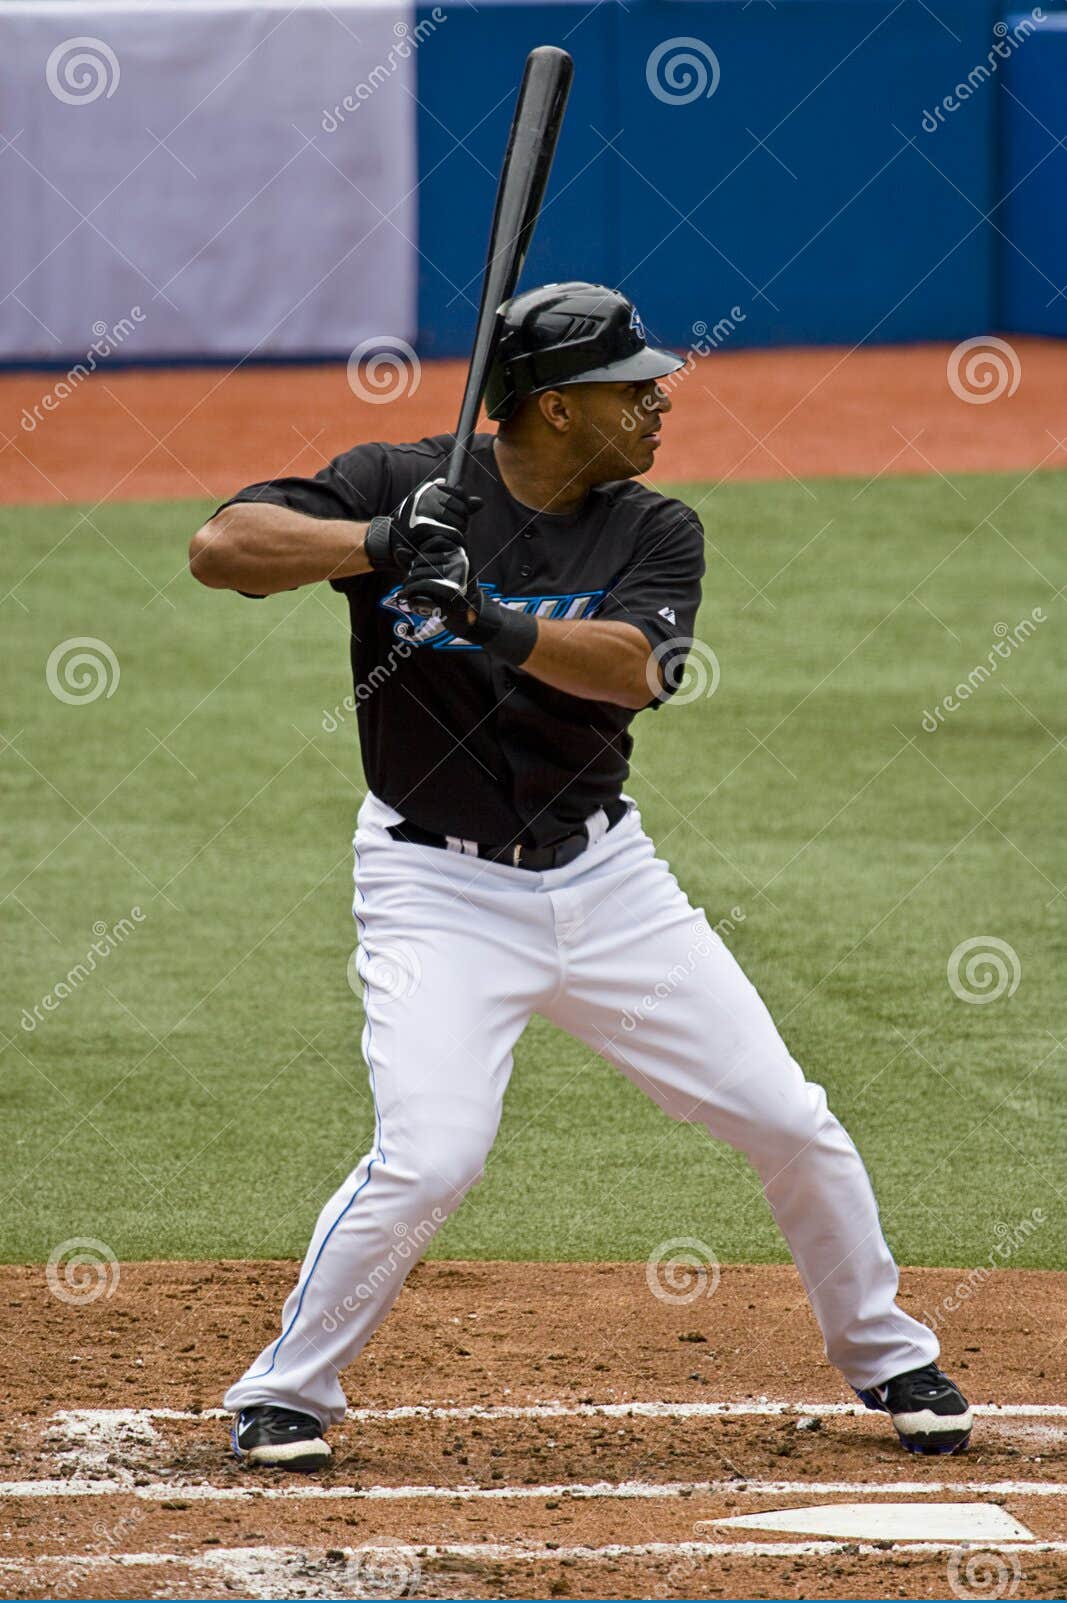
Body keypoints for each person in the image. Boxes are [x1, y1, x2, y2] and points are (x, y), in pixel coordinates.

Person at [189, 282, 973, 1471]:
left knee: (787, 1120)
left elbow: (637, 669)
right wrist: (378, 545)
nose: (659, 399)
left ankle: (885, 1351)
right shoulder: (400, 483)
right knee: (431, 1153)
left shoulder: (652, 528)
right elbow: (220, 550)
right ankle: (288, 1387)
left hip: (609, 885)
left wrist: (489, 618)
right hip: (434, 890)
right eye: (631, 386)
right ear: (553, 407)